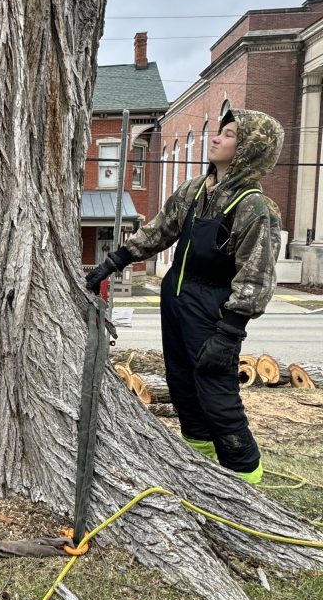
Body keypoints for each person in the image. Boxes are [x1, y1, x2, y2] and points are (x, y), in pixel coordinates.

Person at [85, 108, 283, 485]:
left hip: (213, 316)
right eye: (219, 131)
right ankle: (202, 473)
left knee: (217, 399)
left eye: (228, 134)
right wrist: (111, 263)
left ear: (250, 149)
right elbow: (157, 232)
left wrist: (229, 334)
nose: (217, 138)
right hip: (176, 304)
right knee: (182, 391)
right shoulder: (194, 192)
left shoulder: (255, 208)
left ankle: (245, 484)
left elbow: (255, 279)